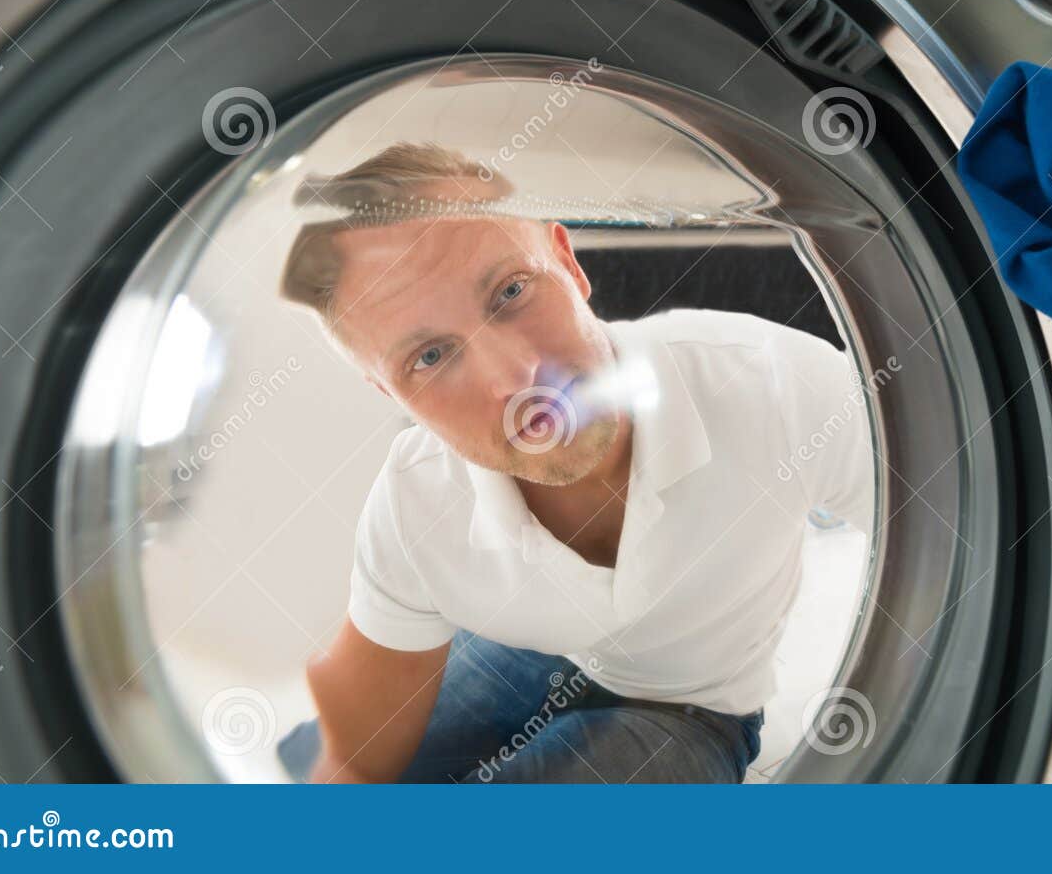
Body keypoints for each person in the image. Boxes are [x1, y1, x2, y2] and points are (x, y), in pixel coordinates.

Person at [273, 141, 876, 783]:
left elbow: (978, 522)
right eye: (430, 357)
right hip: (535, 654)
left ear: (568, 263)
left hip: (694, 709)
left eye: (510, 291)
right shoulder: (412, 503)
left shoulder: (774, 383)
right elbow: (354, 768)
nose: (518, 379)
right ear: (391, 395)